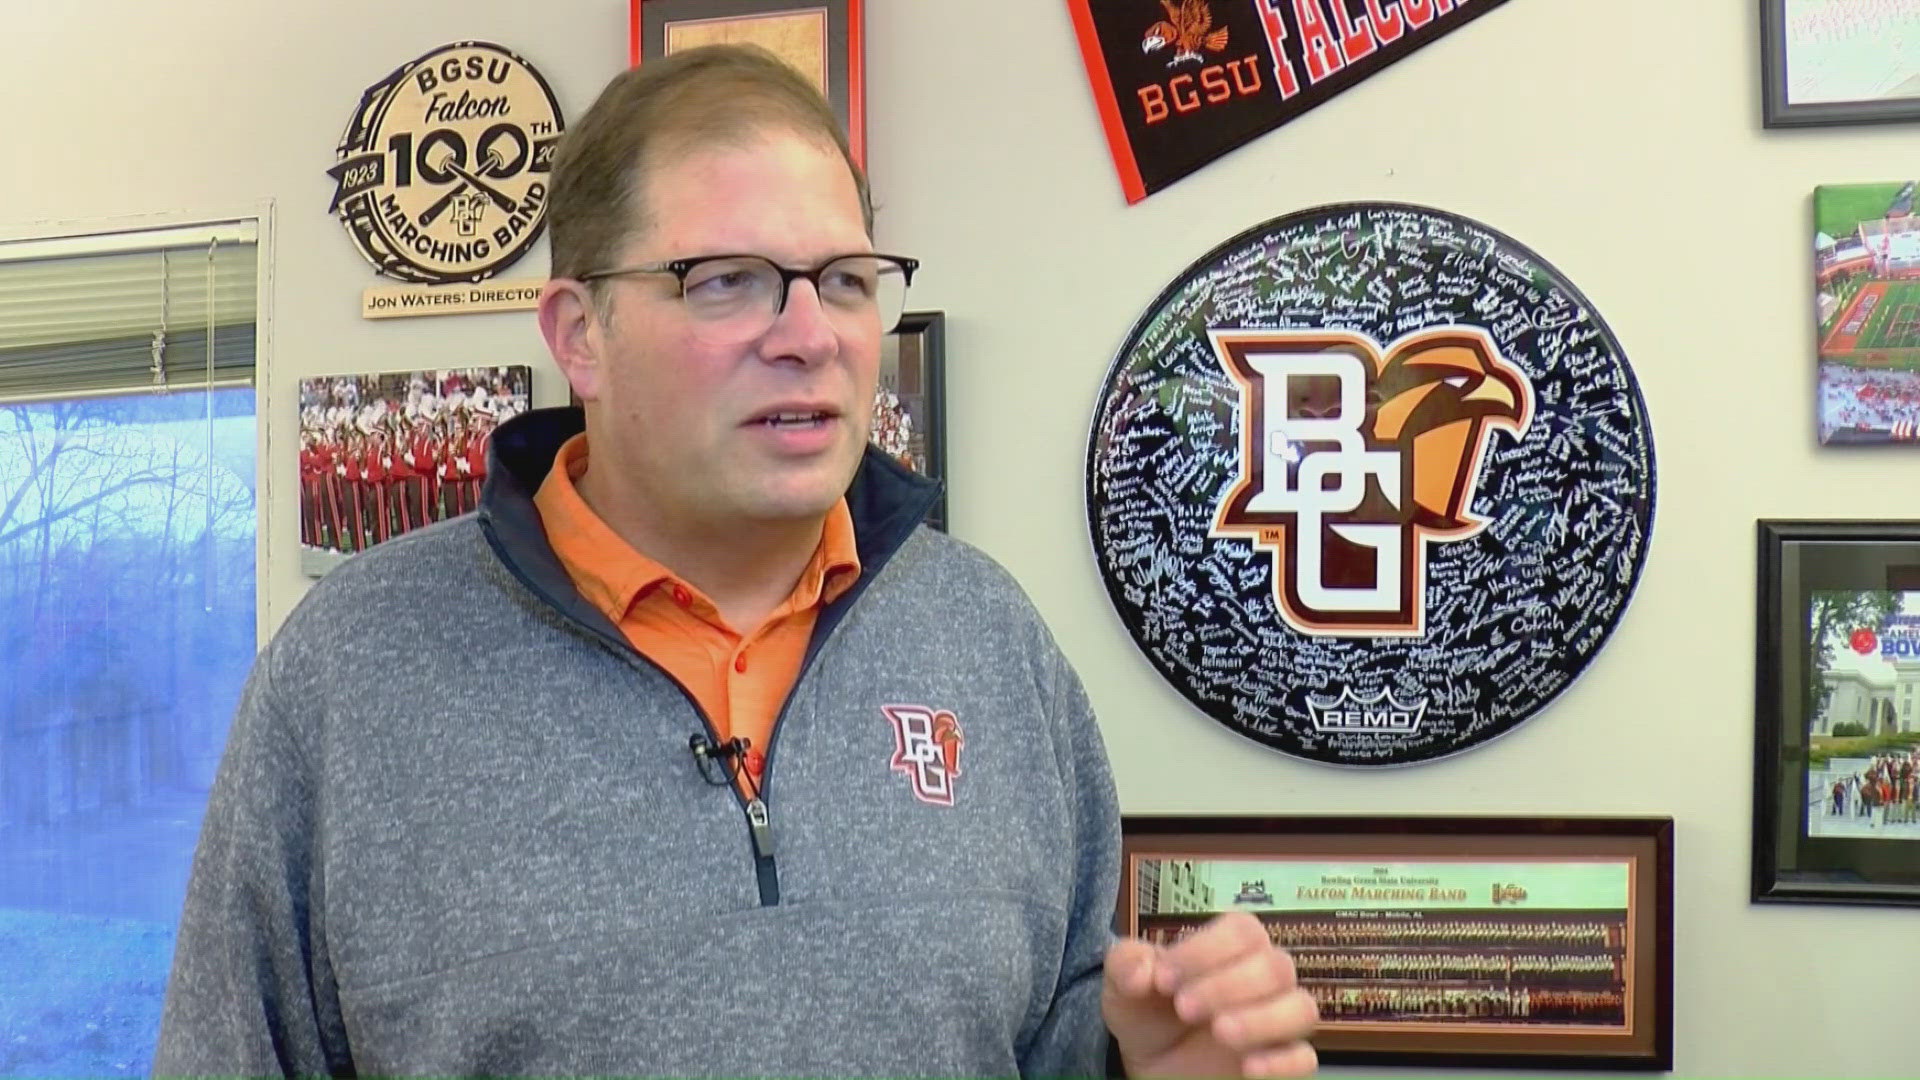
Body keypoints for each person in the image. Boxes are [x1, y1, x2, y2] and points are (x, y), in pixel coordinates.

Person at [153, 44, 1316, 1078]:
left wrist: (1147, 1064)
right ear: (578, 335)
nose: (810, 333)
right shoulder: (355, 669)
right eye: (726, 281)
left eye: (847, 281)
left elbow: (1043, 1035)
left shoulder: (989, 639)